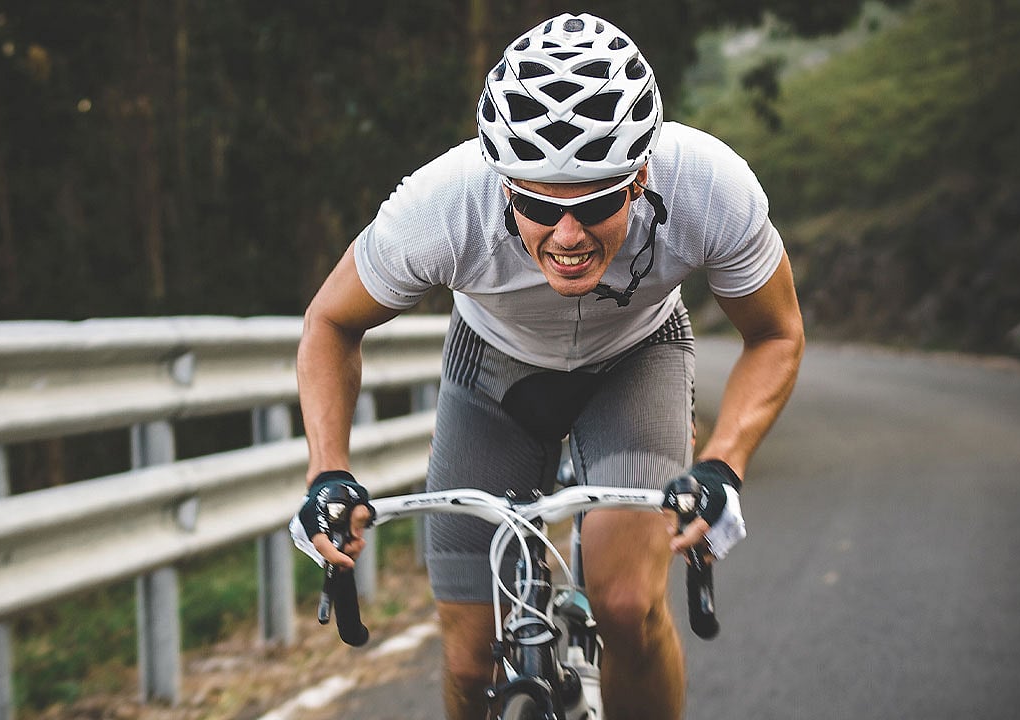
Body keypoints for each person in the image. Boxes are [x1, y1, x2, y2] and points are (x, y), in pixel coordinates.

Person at [290, 12, 804, 720]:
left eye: (593, 203)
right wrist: (328, 469)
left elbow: (776, 334)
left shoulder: (708, 188)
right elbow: (330, 322)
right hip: (492, 371)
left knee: (627, 608)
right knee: (470, 660)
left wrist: (723, 461)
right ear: (503, 184)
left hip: (638, 356)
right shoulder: (443, 205)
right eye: (537, 203)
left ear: (640, 176)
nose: (567, 236)